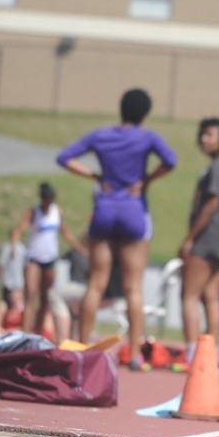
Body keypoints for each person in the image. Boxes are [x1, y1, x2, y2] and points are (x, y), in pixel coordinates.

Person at [56, 87, 178, 369]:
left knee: (96, 283)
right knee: (133, 288)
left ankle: (82, 346)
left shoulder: (101, 136)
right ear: (145, 113)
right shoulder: (147, 137)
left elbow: (64, 158)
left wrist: (95, 175)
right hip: (134, 210)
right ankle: (134, 354)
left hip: (105, 210)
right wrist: (146, 180)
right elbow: (170, 161)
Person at [179, 117, 219, 364]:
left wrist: (190, 237)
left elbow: (212, 203)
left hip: (208, 238)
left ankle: (193, 350)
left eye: (210, 135)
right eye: (203, 134)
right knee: (212, 296)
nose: (204, 139)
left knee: (189, 296)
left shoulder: (218, 167)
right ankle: (209, 351)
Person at [12, 182, 81, 338]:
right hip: (34, 259)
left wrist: (80, 248)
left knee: (45, 298)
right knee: (30, 296)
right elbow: (20, 229)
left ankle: (37, 333)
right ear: (42, 199)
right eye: (46, 200)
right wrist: (14, 246)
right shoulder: (34, 212)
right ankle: (24, 333)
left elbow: (65, 233)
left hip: (50, 259)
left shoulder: (57, 212)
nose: (49, 203)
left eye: (51, 200)